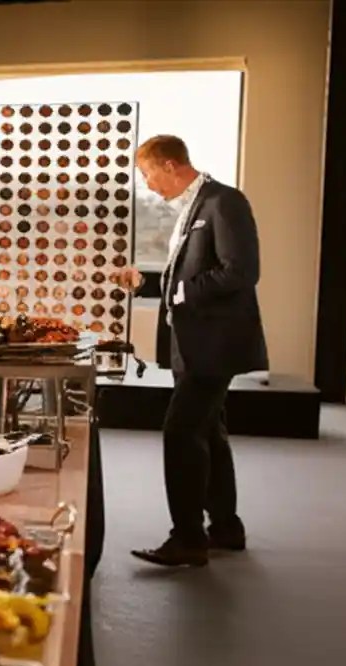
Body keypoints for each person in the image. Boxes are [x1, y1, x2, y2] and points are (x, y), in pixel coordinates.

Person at [117, 135, 267, 568]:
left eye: (146, 174)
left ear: (168, 165)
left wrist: (179, 292)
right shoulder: (192, 207)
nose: (147, 185)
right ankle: (225, 527)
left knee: (181, 433)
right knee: (208, 433)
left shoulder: (224, 202)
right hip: (194, 346)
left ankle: (187, 539)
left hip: (214, 346)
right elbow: (190, 271)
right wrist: (145, 282)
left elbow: (241, 271)